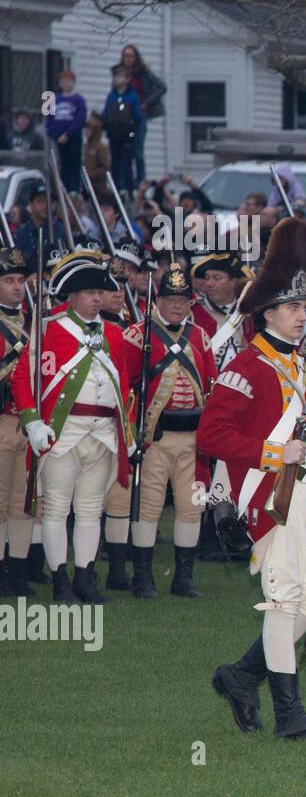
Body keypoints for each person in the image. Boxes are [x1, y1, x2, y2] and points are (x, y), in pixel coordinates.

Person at [202, 217, 306, 742]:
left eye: (305, 307)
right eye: (291, 307)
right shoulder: (248, 365)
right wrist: (271, 452)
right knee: (285, 601)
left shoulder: (304, 368)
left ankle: (241, 677)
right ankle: (291, 716)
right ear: (266, 313)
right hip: (269, 499)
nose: (302, 316)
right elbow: (212, 436)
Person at [13, 249, 133, 604]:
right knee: (56, 508)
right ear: (73, 296)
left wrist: (127, 432)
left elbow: (123, 386)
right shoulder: (48, 329)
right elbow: (24, 378)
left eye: (101, 292)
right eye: (90, 292)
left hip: (104, 434)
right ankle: (60, 579)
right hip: (62, 432)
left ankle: (85, 576)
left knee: (91, 509)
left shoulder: (113, 333)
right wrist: (32, 421)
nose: (98, 298)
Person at [115, 263, 217, 597]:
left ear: (191, 302)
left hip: (192, 439)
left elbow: (212, 385)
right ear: (157, 299)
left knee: (191, 506)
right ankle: (143, 577)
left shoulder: (200, 337)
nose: (176, 305)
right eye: (170, 298)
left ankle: (183, 577)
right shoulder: (137, 335)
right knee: (149, 506)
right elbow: (123, 389)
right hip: (153, 439)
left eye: (183, 299)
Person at [0, 246, 35, 597]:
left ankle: (20, 570)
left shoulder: (35, 323)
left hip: (30, 423)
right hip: (1, 421)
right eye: (8, 280)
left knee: (24, 505)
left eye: (20, 280)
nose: (16, 287)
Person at [116, 45, 167, 187]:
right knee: (125, 152)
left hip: (139, 116)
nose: (128, 59)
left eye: (131, 56)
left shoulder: (143, 73)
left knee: (138, 151)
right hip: (123, 117)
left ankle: (140, 183)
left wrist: (146, 102)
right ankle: (125, 184)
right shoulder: (119, 72)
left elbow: (162, 87)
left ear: (136, 57)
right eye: (126, 55)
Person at [103, 67, 143, 195]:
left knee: (127, 163)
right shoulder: (111, 96)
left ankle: (129, 189)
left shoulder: (132, 96)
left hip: (126, 136)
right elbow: (106, 114)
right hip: (114, 135)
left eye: (121, 77)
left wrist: (131, 133)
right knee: (115, 163)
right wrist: (107, 127)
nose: (117, 79)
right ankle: (116, 189)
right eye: (116, 77)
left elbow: (137, 116)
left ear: (127, 79)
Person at [46, 71, 87, 194]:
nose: (66, 84)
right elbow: (48, 119)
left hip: (73, 139)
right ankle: (62, 190)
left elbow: (80, 120)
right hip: (58, 139)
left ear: (73, 83)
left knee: (73, 164)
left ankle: (73, 190)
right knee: (61, 165)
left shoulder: (79, 100)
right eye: (63, 81)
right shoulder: (53, 99)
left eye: (69, 81)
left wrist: (68, 134)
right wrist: (54, 135)